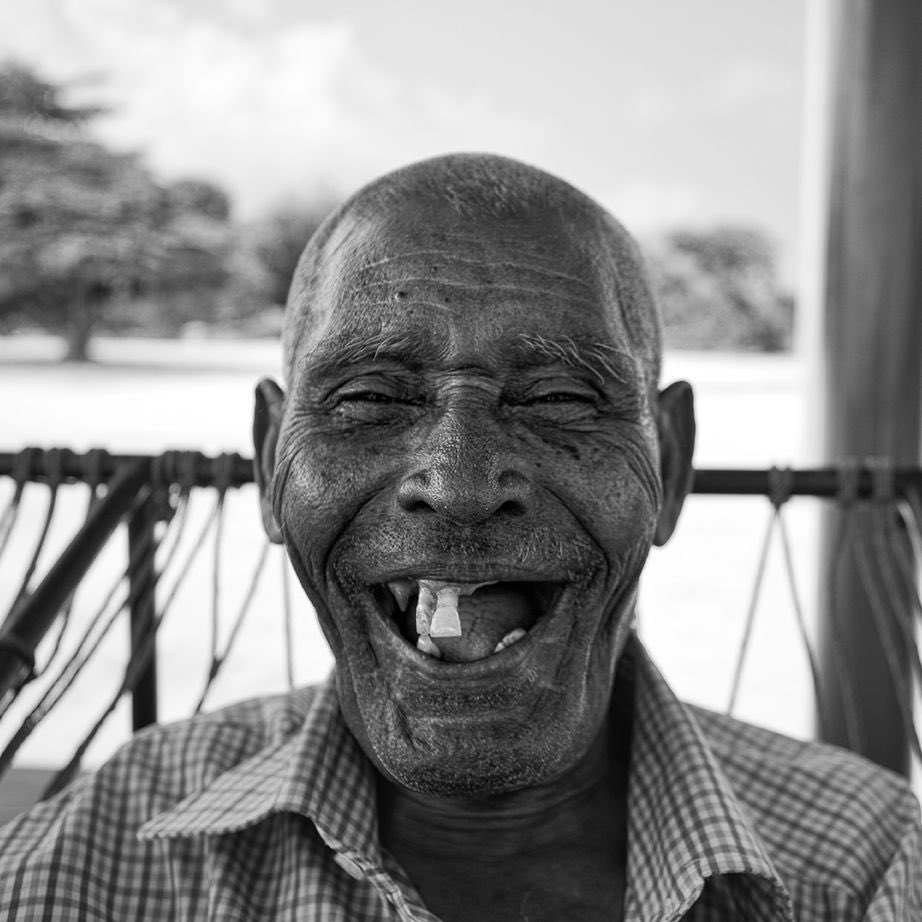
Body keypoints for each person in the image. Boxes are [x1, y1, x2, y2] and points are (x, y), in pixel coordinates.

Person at [0, 153, 919, 920]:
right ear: (273, 462)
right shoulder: (105, 851)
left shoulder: (870, 869)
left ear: (669, 468)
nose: (459, 483)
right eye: (368, 399)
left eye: (560, 400)